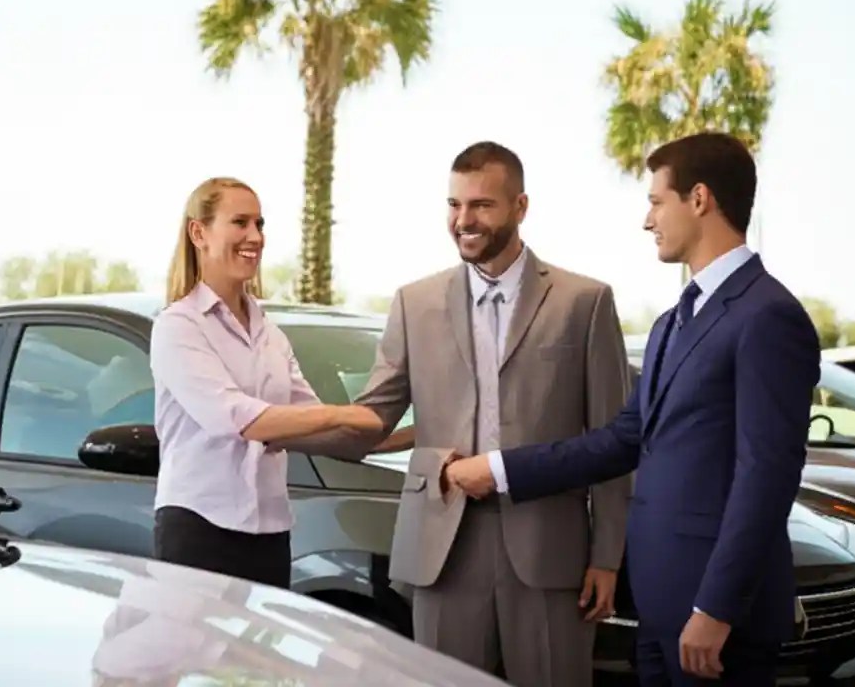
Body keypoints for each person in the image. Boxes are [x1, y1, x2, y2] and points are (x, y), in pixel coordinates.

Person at [444, 132, 821, 685]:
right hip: (658, 610)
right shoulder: (674, 321)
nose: (648, 220)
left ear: (699, 199)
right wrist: (498, 470)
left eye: (655, 201)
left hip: (716, 625)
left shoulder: (768, 317)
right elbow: (621, 440)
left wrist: (715, 608)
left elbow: (766, 477)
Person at [278, 142, 633, 686]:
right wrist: (277, 427)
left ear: (521, 206)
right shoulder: (413, 303)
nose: (463, 220)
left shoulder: (584, 302)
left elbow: (612, 440)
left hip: (549, 547)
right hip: (441, 544)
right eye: (454, 205)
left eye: (481, 205)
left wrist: (607, 555)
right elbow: (374, 415)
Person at [148, 176, 383, 589]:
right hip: (200, 531)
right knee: (200, 657)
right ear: (198, 232)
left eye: (259, 224)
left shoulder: (270, 334)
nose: (254, 236)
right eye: (240, 223)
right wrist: (345, 414)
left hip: (269, 534)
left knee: (254, 658)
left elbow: (314, 426)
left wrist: (411, 434)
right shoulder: (178, 326)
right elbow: (238, 419)